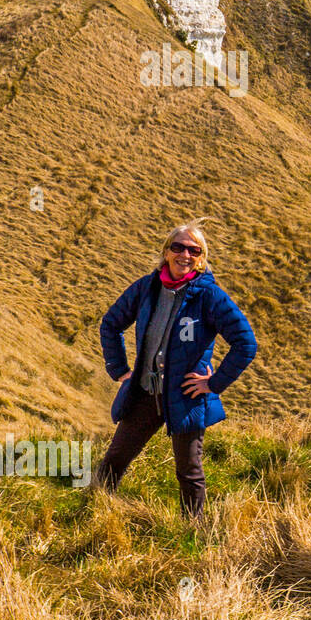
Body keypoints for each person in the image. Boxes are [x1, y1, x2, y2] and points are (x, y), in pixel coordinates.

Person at [95, 219, 257, 517]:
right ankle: (93, 514)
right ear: (166, 251)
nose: (185, 255)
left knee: (189, 472)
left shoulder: (209, 295)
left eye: (193, 250)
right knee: (114, 460)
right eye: (178, 247)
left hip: (185, 397)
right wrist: (119, 370)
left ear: (201, 257)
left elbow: (246, 342)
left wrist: (214, 383)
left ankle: (191, 536)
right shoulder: (147, 287)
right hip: (144, 392)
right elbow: (111, 323)